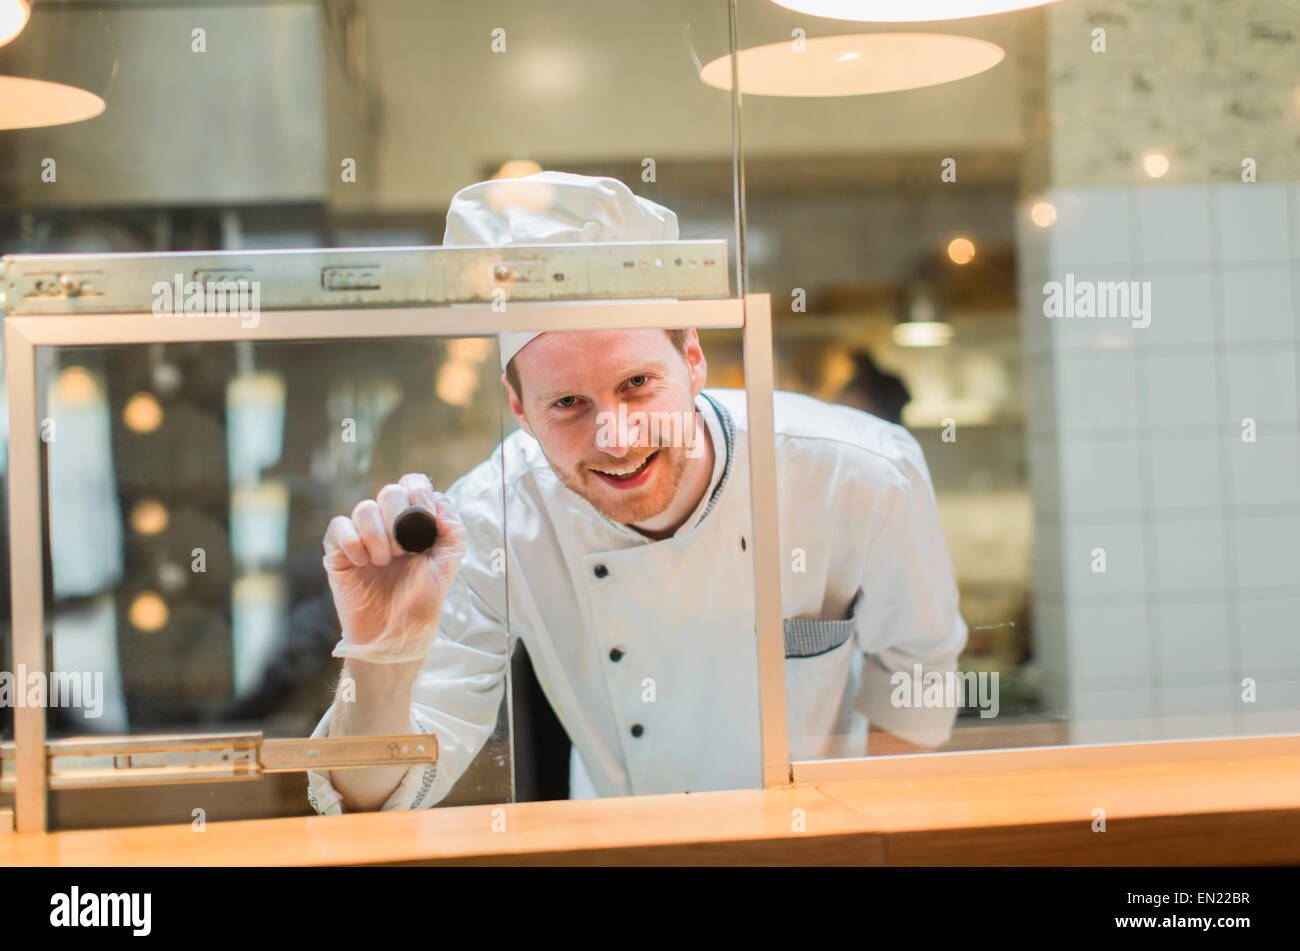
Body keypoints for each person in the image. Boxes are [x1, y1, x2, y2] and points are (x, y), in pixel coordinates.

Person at [306, 170, 967, 813]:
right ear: (517, 406)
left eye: (636, 385)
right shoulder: (492, 518)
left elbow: (916, 690)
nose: (616, 438)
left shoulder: (860, 473)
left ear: (693, 360)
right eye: (568, 403)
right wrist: (380, 660)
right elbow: (375, 793)